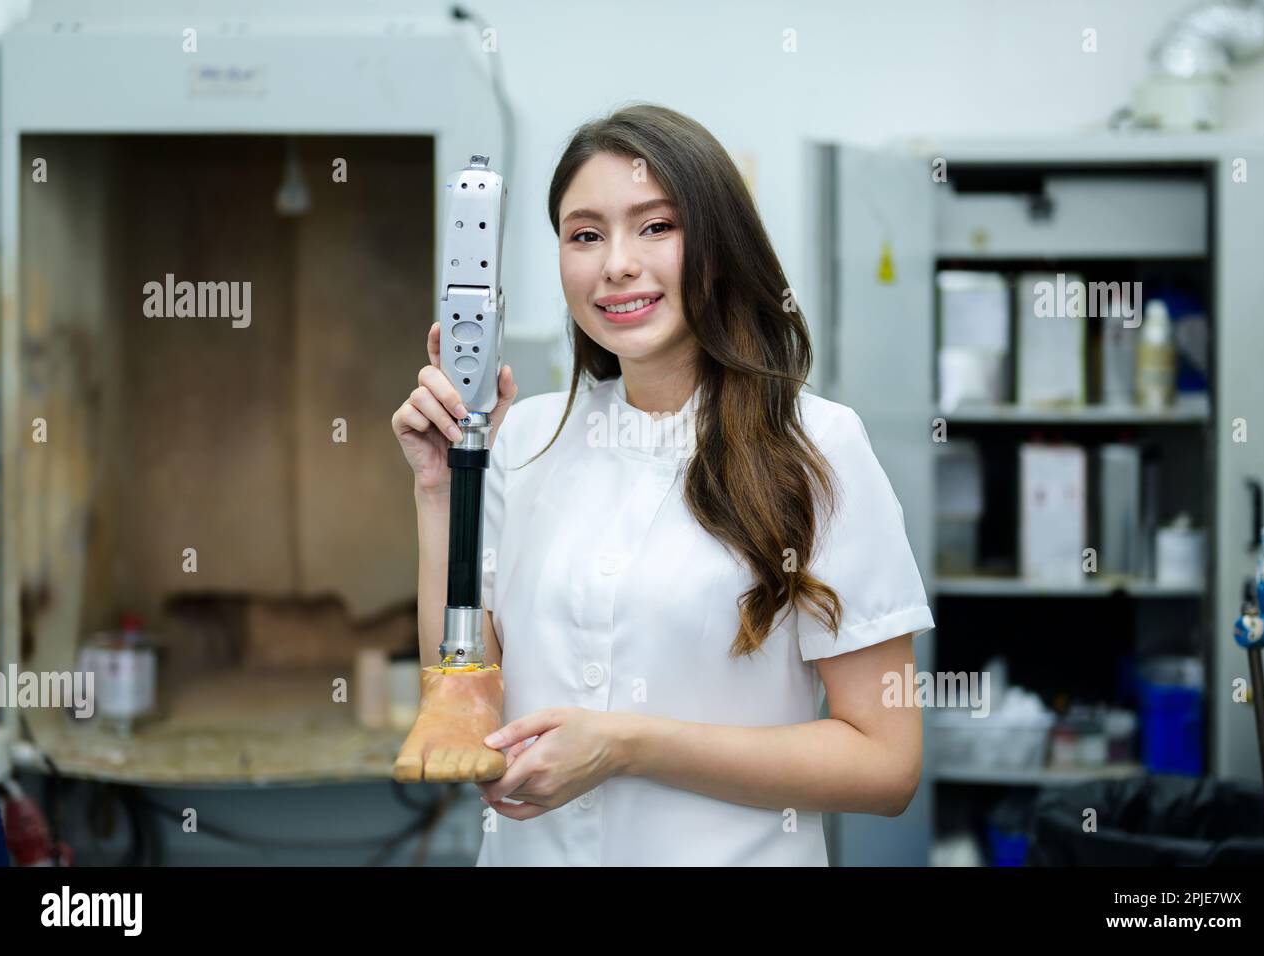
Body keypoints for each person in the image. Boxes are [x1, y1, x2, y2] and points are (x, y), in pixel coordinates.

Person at [391, 103, 934, 866]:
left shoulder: (818, 446)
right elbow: (464, 705)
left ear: (718, 246)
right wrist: (442, 491)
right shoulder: (524, 439)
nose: (616, 263)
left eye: (656, 227)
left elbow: (885, 764)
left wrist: (627, 745)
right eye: (585, 234)